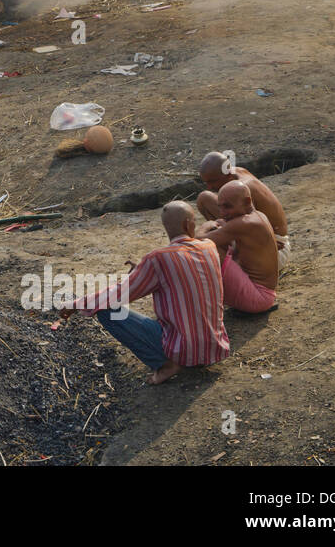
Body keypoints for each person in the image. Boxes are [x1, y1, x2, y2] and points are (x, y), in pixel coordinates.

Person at [60, 201, 230, 385]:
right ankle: (180, 356)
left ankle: (165, 364)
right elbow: (190, 248)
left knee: (105, 310)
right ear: (189, 224)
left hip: (182, 351)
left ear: (166, 227)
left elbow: (119, 293)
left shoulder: (158, 259)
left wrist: (77, 303)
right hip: (214, 349)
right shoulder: (210, 248)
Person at [196, 151, 290, 270]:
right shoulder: (235, 172)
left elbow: (257, 230)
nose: (209, 187)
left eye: (212, 181)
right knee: (204, 199)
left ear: (228, 175)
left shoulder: (242, 189)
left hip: (275, 252)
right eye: (206, 182)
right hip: (264, 241)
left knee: (215, 251)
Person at [196, 181, 280, 315]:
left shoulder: (244, 223)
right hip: (263, 293)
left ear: (247, 202)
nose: (222, 213)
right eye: (220, 207)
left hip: (259, 297)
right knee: (218, 242)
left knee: (208, 249)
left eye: (227, 207)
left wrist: (206, 225)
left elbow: (198, 241)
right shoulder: (258, 215)